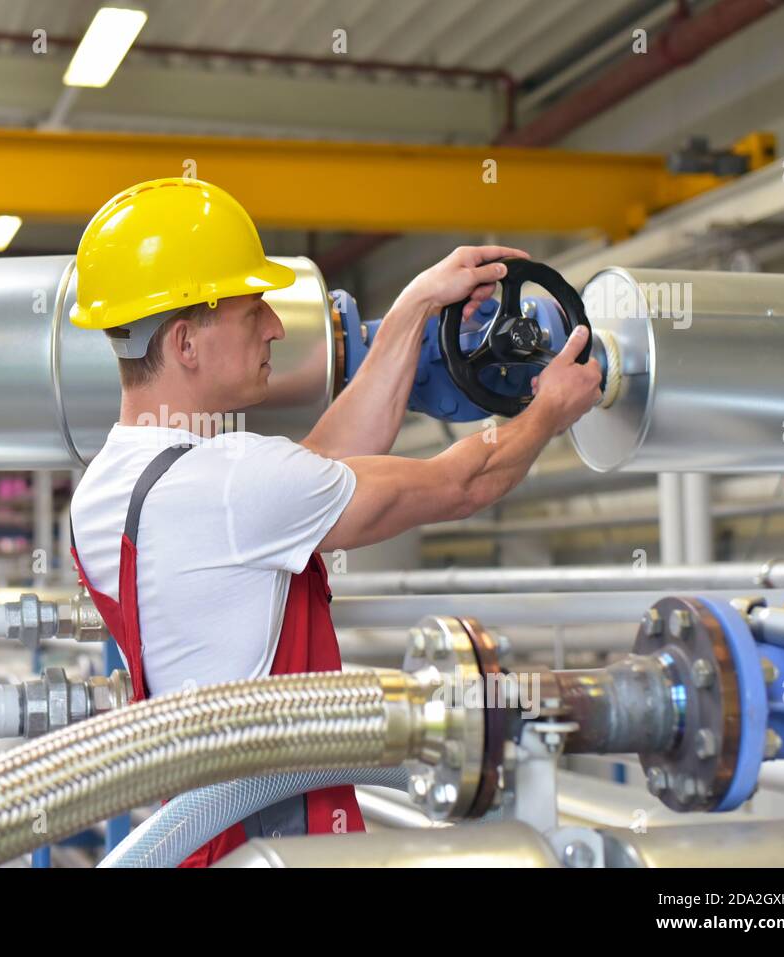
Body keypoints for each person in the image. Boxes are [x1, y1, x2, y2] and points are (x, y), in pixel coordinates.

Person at [68, 177, 601, 866]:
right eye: (250, 306)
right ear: (185, 342)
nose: (276, 326)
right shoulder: (231, 483)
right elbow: (461, 482)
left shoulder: (112, 482)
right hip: (282, 841)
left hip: (208, 835)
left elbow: (320, 466)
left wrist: (414, 309)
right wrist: (548, 410)